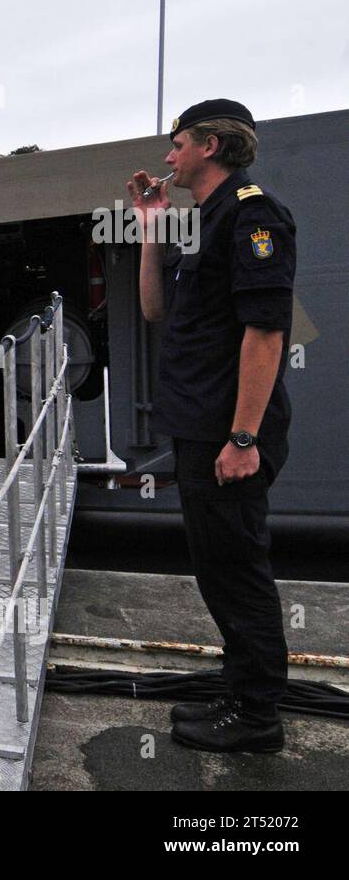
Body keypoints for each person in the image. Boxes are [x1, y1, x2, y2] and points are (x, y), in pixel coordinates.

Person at [129, 99, 296, 753]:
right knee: (216, 568)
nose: (168, 157)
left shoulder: (254, 214)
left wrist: (244, 438)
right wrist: (150, 226)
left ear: (213, 145)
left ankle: (257, 715)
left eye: (177, 144)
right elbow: (152, 308)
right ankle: (241, 682)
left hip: (230, 434)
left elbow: (266, 330)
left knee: (237, 569)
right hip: (200, 429)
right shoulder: (202, 220)